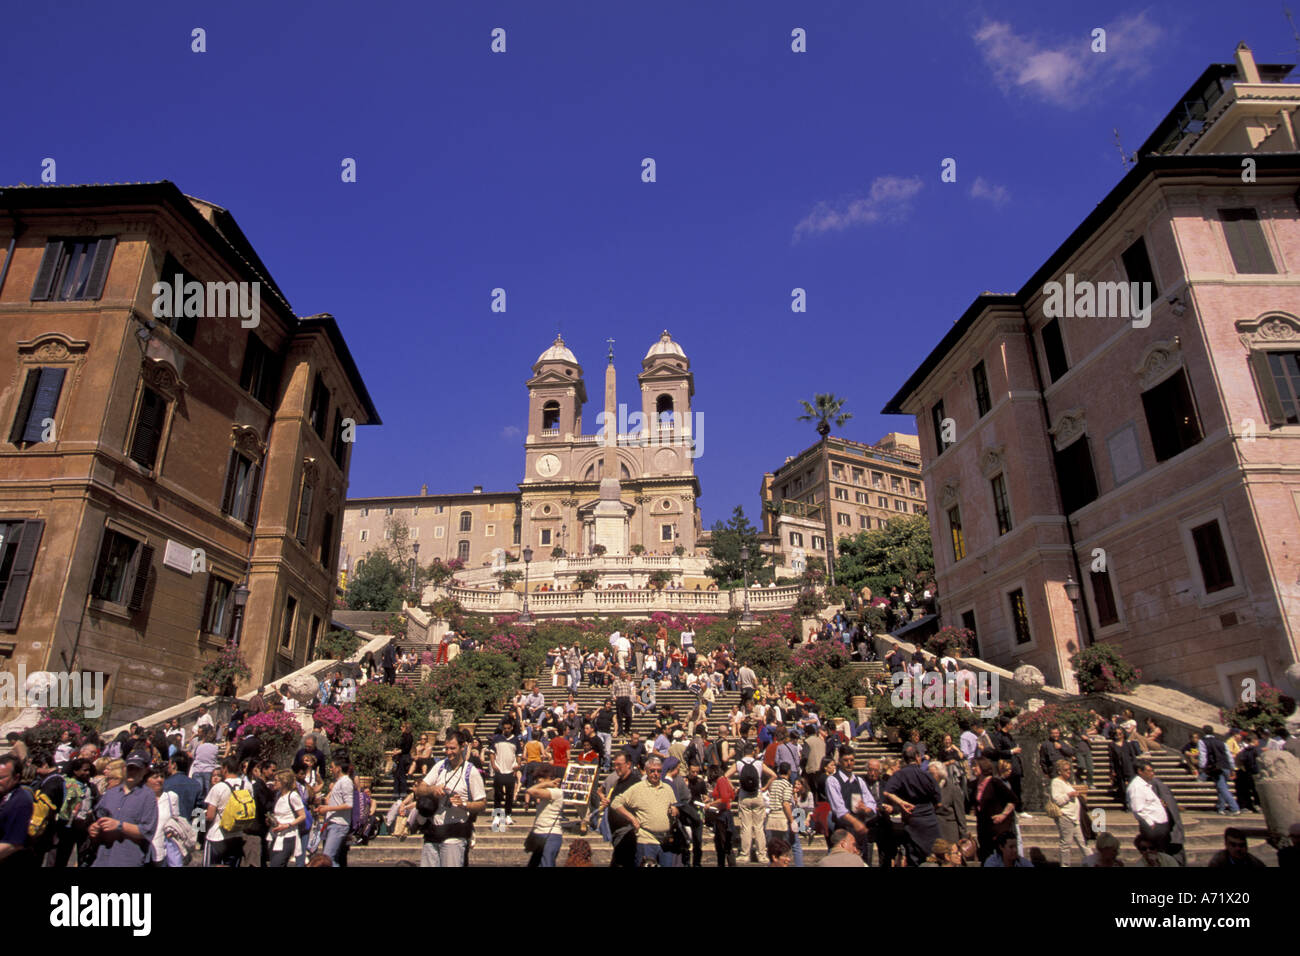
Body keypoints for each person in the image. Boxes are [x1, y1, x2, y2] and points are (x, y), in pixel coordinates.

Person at [412, 729, 487, 867]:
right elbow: (420, 789)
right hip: (433, 833)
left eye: (452, 748)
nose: (448, 752)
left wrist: (464, 804)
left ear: (462, 747)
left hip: (455, 834)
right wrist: (433, 789)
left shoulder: (471, 772)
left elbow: (482, 804)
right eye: (446, 748)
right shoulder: (440, 766)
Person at [610, 755, 680, 866]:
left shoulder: (668, 788)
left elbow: (675, 806)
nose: (655, 774)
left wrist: (675, 810)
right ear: (646, 771)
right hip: (646, 841)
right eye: (652, 771)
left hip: (665, 841)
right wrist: (632, 818)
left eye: (658, 771)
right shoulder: (637, 788)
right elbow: (615, 803)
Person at [90, 753, 158, 867]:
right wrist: (94, 828)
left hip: (128, 859)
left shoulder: (148, 796)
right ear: (123, 769)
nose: (132, 772)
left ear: (144, 771)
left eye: (137, 769)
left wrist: (119, 825)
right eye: (130, 768)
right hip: (102, 858)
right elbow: (98, 817)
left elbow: (147, 830)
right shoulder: (110, 793)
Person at [726, 742, 774, 864]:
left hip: (744, 795)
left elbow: (725, 776)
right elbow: (773, 775)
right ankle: (761, 855)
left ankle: (745, 854)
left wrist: (734, 788)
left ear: (743, 752)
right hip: (757, 794)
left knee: (746, 827)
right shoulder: (759, 763)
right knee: (759, 827)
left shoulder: (739, 763)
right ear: (753, 752)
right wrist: (765, 787)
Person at [204, 757, 249, 867]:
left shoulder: (218, 787)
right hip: (237, 834)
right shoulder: (247, 785)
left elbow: (210, 816)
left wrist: (198, 818)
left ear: (225, 769)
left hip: (217, 835)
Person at [971, 757, 1017, 863]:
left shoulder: (995, 782)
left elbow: (1013, 800)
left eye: (976, 766)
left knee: (1000, 856)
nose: (973, 768)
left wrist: (1003, 815)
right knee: (985, 856)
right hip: (983, 826)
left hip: (998, 826)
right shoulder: (975, 784)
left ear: (983, 767)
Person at [524, 764, 566, 867]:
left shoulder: (556, 792)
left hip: (550, 835)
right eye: (538, 778)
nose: (539, 780)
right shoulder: (548, 792)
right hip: (540, 834)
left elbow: (530, 791)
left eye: (542, 777)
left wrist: (547, 784)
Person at [1049, 758, 1089, 867]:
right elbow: (1057, 800)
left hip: (1074, 817)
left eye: (1069, 770)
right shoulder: (1056, 782)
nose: (1069, 772)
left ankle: (1093, 862)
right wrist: (1069, 795)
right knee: (1066, 844)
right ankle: (1065, 865)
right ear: (1059, 771)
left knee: (1083, 842)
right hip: (1065, 816)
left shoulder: (1066, 782)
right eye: (1066, 770)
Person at [144, 766, 182, 866]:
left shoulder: (171, 797)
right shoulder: (140, 798)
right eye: (155, 777)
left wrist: (172, 832)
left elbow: (176, 820)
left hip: (164, 851)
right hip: (145, 851)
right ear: (146, 780)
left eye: (161, 776)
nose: (159, 779)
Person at [0, 754, 34, 867]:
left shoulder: (21, 802)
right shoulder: (3, 796)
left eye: (1, 778)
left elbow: (13, 844)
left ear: (16, 777)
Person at [1199, 726, 1241, 815]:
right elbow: (1228, 755)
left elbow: (1203, 755)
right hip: (1225, 766)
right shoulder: (1221, 742)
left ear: (1204, 732)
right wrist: (1232, 767)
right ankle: (1221, 808)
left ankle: (1234, 808)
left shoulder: (1202, 741)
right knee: (1222, 787)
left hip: (1215, 767)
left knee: (1222, 788)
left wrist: (1202, 767)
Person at [268, 770, 305, 867]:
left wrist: (287, 825)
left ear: (284, 782)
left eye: (276, 781)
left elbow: (302, 816)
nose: (274, 783)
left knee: (276, 864)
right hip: (276, 835)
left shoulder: (293, 796)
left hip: (288, 836)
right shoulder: (279, 795)